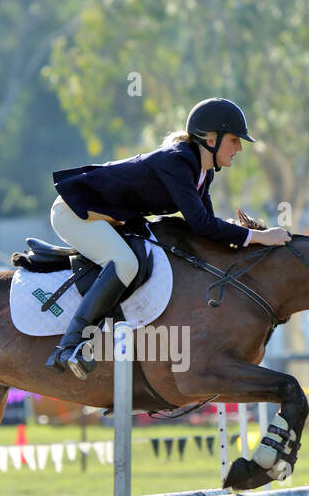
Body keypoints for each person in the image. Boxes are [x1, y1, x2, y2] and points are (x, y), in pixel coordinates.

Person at [44, 97, 291, 379]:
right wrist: (258, 236)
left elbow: (206, 229)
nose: (239, 147)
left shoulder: (201, 172)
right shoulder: (178, 161)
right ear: (211, 139)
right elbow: (202, 224)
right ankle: (69, 346)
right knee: (126, 264)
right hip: (75, 212)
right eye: (234, 140)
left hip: (107, 217)